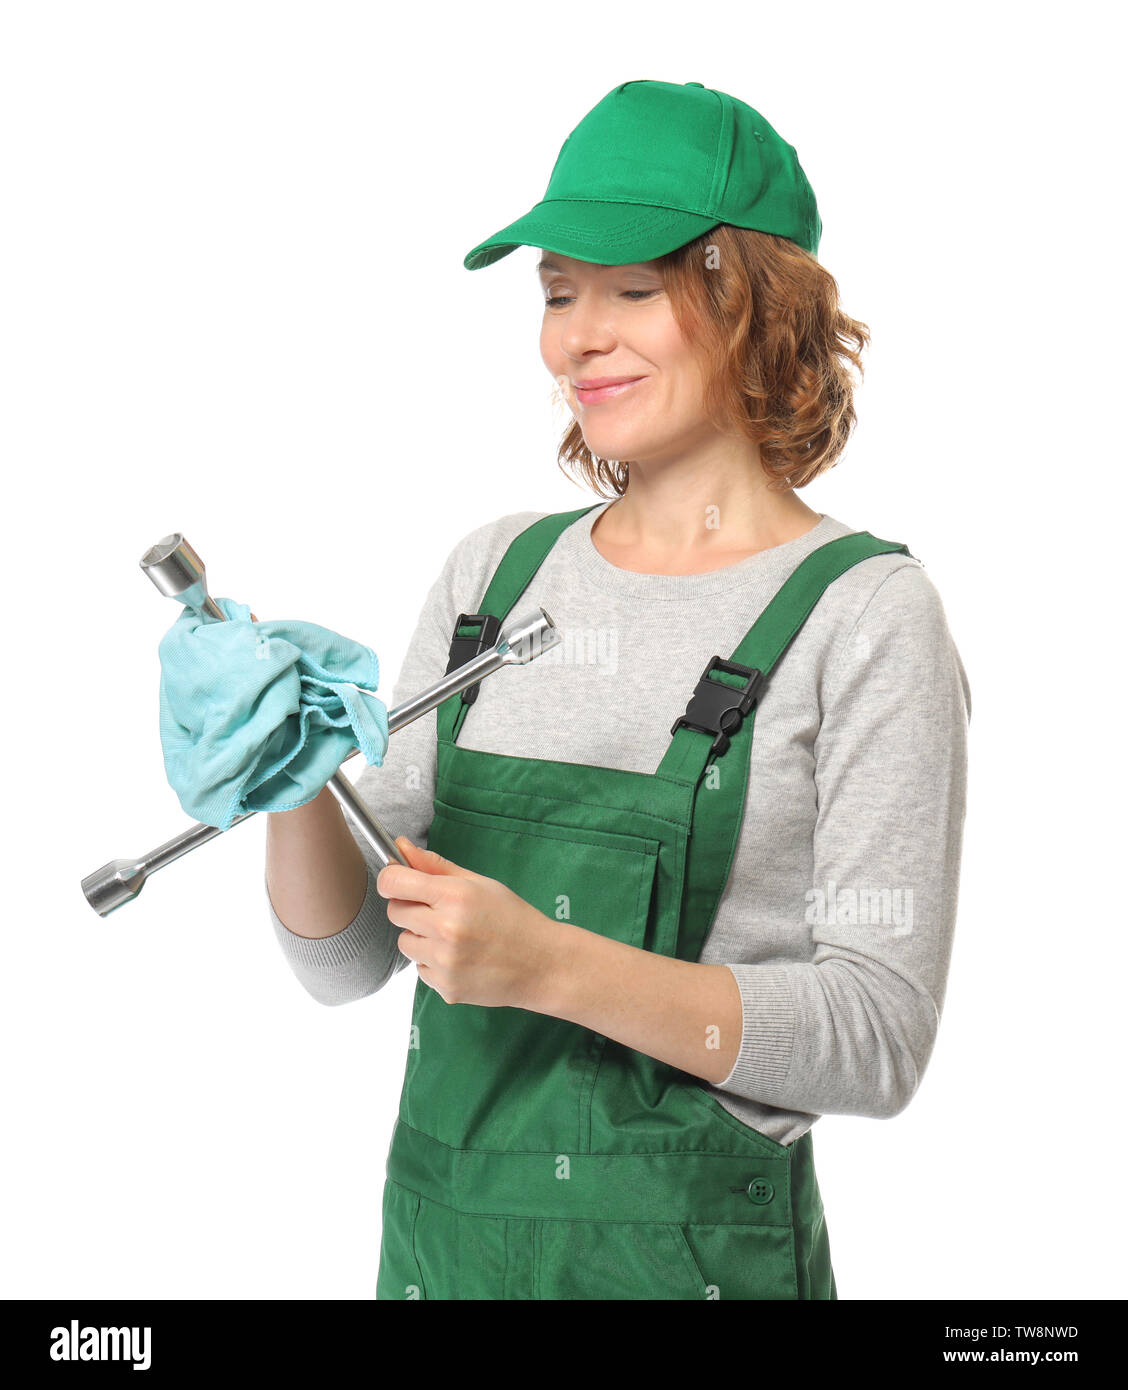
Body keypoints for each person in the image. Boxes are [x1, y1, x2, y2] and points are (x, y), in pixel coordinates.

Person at [264, 79, 971, 1300]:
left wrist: (547, 965)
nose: (575, 337)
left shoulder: (862, 615)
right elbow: (349, 961)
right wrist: (288, 780)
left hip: (691, 1264)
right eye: (556, 292)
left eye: (633, 290)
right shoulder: (496, 574)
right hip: (443, 1262)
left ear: (756, 302)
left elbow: (878, 1038)